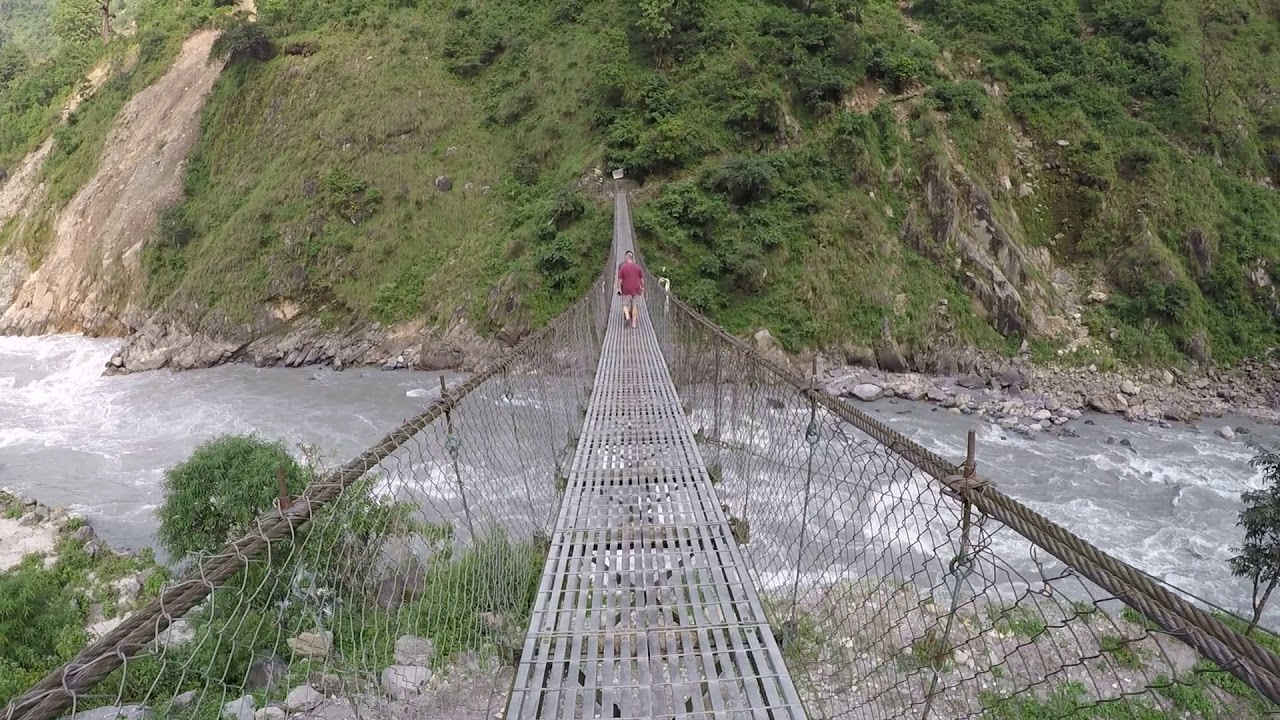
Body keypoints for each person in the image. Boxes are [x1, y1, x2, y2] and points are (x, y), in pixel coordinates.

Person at [616, 250, 644, 329]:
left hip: (626, 289)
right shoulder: (638, 267)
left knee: (625, 305)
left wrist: (619, 288)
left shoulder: (623, 267)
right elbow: (642, 279)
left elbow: (620, 280)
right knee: (635, 306)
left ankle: (628, 317)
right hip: (636, 289)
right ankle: (634, 324)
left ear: (626, 257)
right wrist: (643, 287)